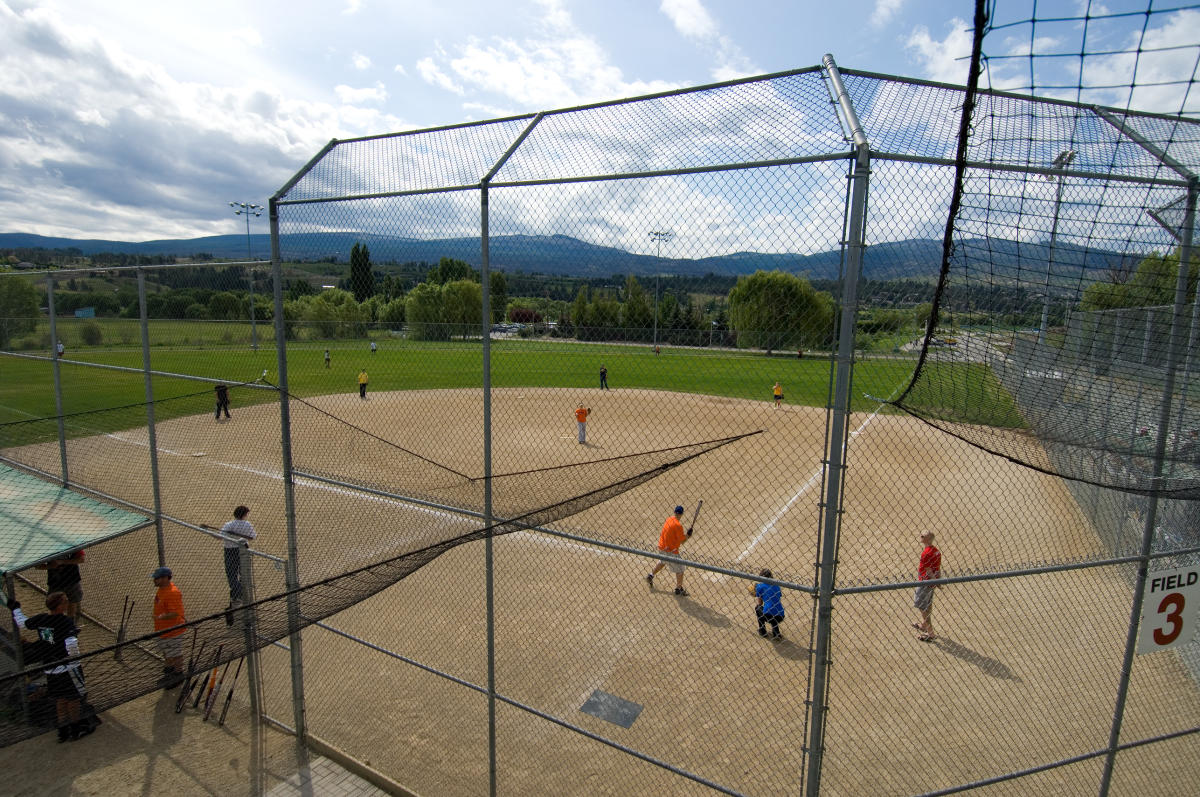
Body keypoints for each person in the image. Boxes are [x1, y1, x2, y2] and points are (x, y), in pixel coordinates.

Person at [10, 591, 98, 741]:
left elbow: (22, 622)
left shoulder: (42, 619)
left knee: (60, 699)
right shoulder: (65, 622)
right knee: (73, 699)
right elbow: (70, 643)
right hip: (67, 667)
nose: (67, 602)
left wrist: (15, 608)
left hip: (50, 668)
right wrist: (75, 659)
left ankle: (62, 731)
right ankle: (75, 729)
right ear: (60, 606)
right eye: (65, 601)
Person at [646, 505, 693, 595]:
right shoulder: (678, 526)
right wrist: (688, 535)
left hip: (662, 547)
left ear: (674, 512)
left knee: (663, 561)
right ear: (682, 514)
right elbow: (683, 541)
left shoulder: (669, 519)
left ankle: (651, 575)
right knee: (680, 570)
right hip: (671, 551)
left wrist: (686, 535)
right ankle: (679, 589)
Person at [152, 567, 187, 686]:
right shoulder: (162, 589)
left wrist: (160, 617)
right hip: (162, 630)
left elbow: (175, 613)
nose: (154, 580)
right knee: (167, 653)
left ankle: (178, 675)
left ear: (166, 578)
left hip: (173, 631)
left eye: (157, 578)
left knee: (175, 653)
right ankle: (169, 673)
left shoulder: (172, 593)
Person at [220, 505, 256, 605]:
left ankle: (237, 594)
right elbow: (252, 537)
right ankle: (241, 595)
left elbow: (219, 537)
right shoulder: (247, 524)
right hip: (243, 551)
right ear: (244, 514)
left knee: (231, 574)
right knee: (244, 574)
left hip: (230, 551)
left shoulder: (228, 525)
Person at [912, 532, 942, 641]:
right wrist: (937, 582)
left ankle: (931, 633)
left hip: (925, 582)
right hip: (931, 583)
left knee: (921, 606)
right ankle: (924, 625)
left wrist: (935, 581)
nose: (920, 536)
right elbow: (937, 569)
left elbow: (929, 571)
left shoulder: (926, 553)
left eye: (923, 536)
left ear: (928, 539)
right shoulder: (936, 552)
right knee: (928, 604)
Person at [41, 549, 84, 621]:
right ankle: (55, 623)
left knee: (72, 602)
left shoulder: (71, 544)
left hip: (72, 580)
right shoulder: (46, 547)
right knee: (54, 604)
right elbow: (38, 566)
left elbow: (81, 559)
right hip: (55, 582)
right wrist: (51, 566)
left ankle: (70, 624)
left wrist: (62, 562)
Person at [749, 569, 785, 640]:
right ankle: (776, 633)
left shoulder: (760, 586)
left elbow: (760, 603)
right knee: (773, 609)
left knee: (758, 608)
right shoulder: (776, 585)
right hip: (781, 615)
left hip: (768, 616)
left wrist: (757, 592)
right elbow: (777, 598)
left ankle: (763, 631)